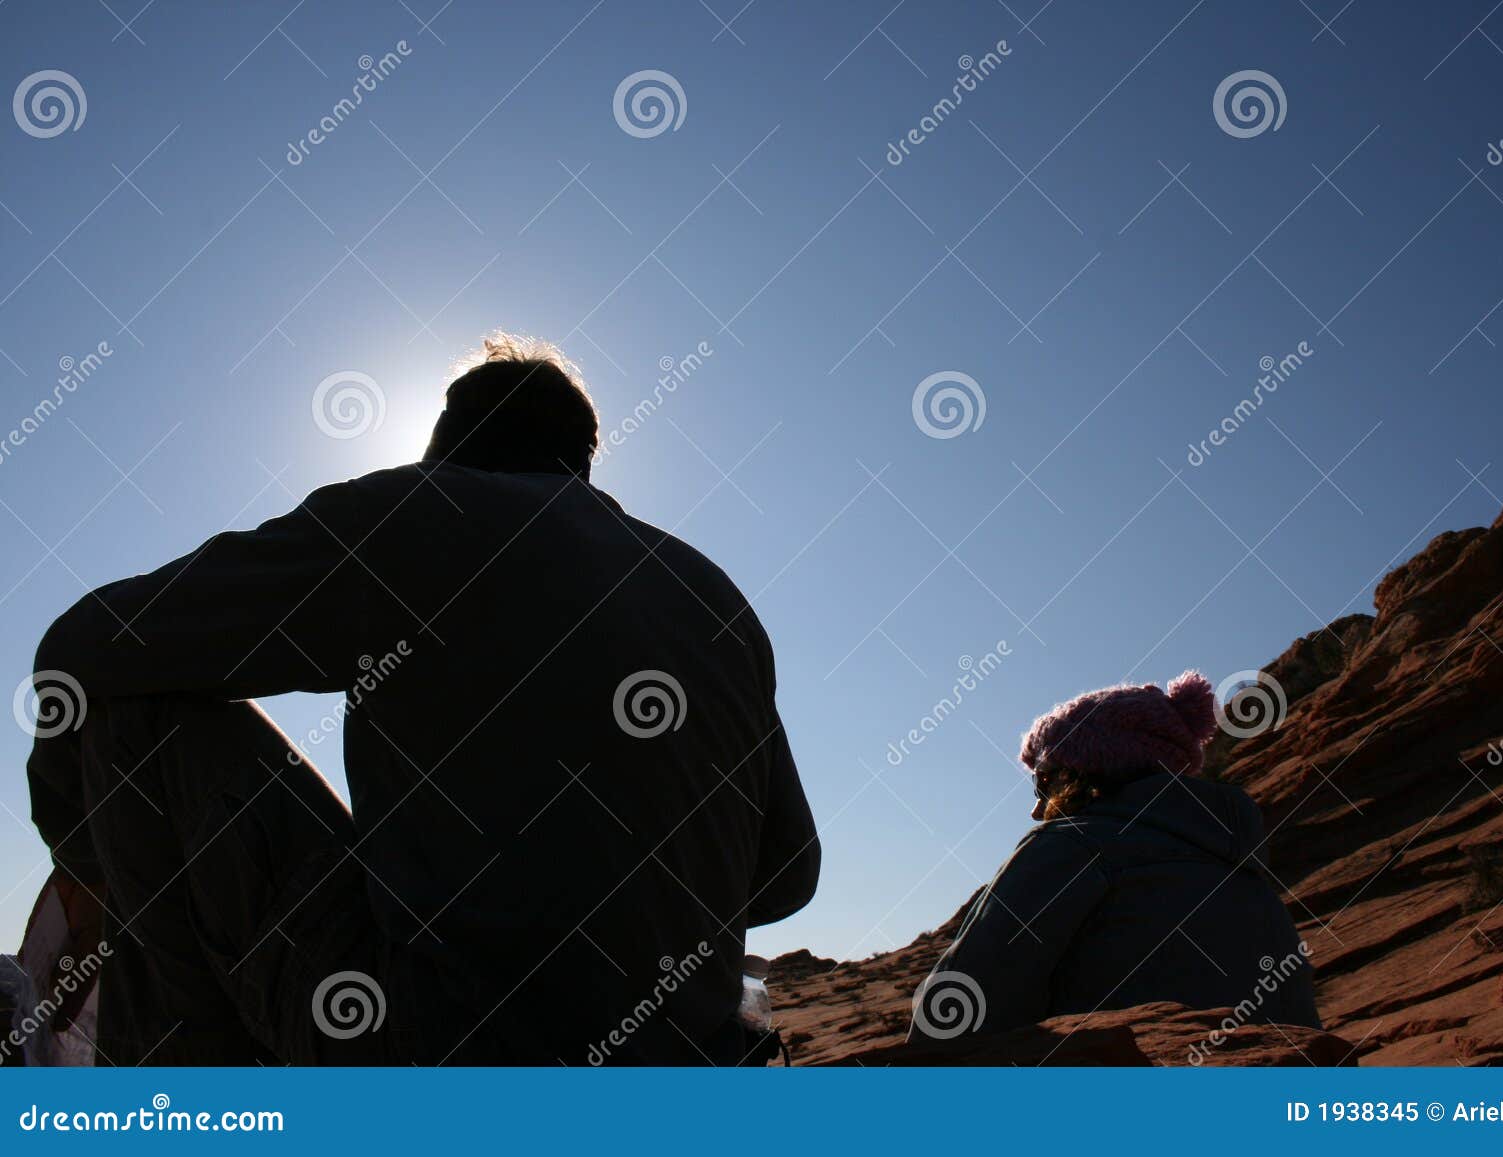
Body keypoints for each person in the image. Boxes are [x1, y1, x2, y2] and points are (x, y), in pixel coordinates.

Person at [23, 332, 820, 1065]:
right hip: (691, 1061)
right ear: (582, 462)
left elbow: (80, 651)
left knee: (138, 710)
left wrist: (87, 870)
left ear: (444, 442)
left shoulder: (414, 515)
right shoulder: (712, 594)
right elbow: (788, 870)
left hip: (435, 1054)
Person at [909, 671, 1318, 1043]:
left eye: (1044, 782)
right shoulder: (1244, 869)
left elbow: (963, 998)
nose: (1036, 809)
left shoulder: (1070, 848)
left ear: (1088, 771)